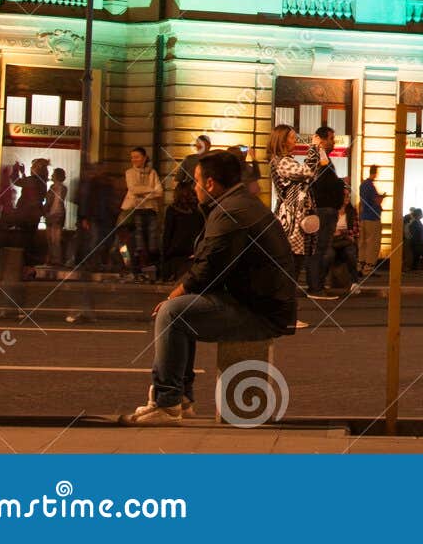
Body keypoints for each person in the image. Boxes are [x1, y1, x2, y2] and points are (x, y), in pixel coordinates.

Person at [124, 149, 299, 425]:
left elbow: (206, 269)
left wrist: (172, 297)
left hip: (261, 312)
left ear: (210, 183)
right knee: (183, 310)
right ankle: (182, 398)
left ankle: (167, 404)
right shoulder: (240, 203)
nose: (194, 188)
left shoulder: (231, 212)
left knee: (172, 313)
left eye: (196, 181)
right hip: (261, 302)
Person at [268, 123, 311, 278]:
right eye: (292, 138)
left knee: (293, 261)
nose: (295, 141)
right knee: (291, 261)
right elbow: (308, 171)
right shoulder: (283, 162)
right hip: (290, 218)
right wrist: (314, 150)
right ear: (283, 141)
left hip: (292, 215)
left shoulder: (283, 160)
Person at [307, 131, 345, 301]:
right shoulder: (319, 158)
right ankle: (316, 287)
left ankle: (318, 285)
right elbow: (322, 183)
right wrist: (340, 183)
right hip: (323, 210)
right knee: (320, 250)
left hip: (327, 210)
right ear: (321, 140)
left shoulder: (324, 159)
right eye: (331, 138)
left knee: (323, 250)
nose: (334, 142)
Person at [120, 146, 164, 281]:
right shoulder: (129, 172)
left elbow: (160, 191)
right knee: (136, 243)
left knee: (152, 243)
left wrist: (143, 192)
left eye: (137, 157)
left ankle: (148, 270)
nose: (134, 160)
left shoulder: (152, 172)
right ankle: (133, 269)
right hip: (134, 211)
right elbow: (133, 189)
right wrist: (150, 190)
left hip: (150, 210)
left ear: (144, 158)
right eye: (132, 157)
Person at [159, 178, 203, 283]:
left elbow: (168, 234)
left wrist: (164, 254)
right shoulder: (197, 211)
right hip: (192, 253)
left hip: (176, 254)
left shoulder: (172, 210)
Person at [358, 166, 384, 276]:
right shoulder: (371, 186)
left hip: (363, 217)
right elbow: (375, 201)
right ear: (375, 172)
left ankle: (360, 266)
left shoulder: (363, 185)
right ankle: (368, 268)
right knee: (372, 243)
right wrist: (381, 198)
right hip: (373, 217)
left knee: (362, 242)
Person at [43, 167, 69, 267]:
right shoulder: (56, 187)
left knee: (54, 239)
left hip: (55, 214)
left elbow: (51, 201)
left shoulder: (58, 188)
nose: (51, 175)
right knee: (51, 238)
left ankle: (56, 259)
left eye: (53, 174)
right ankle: (52, 258)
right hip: (54, 214)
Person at [403, 208, 423, 272]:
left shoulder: (418, 222)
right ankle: (411, 268)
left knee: (416, 257)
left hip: (418, 242)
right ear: (418, 214)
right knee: (413, 256)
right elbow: (414, 234)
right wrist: (417, 242)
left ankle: (414, 268)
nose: (422, 215)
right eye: (421, 213)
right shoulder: (414, 223)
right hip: (416, 243)